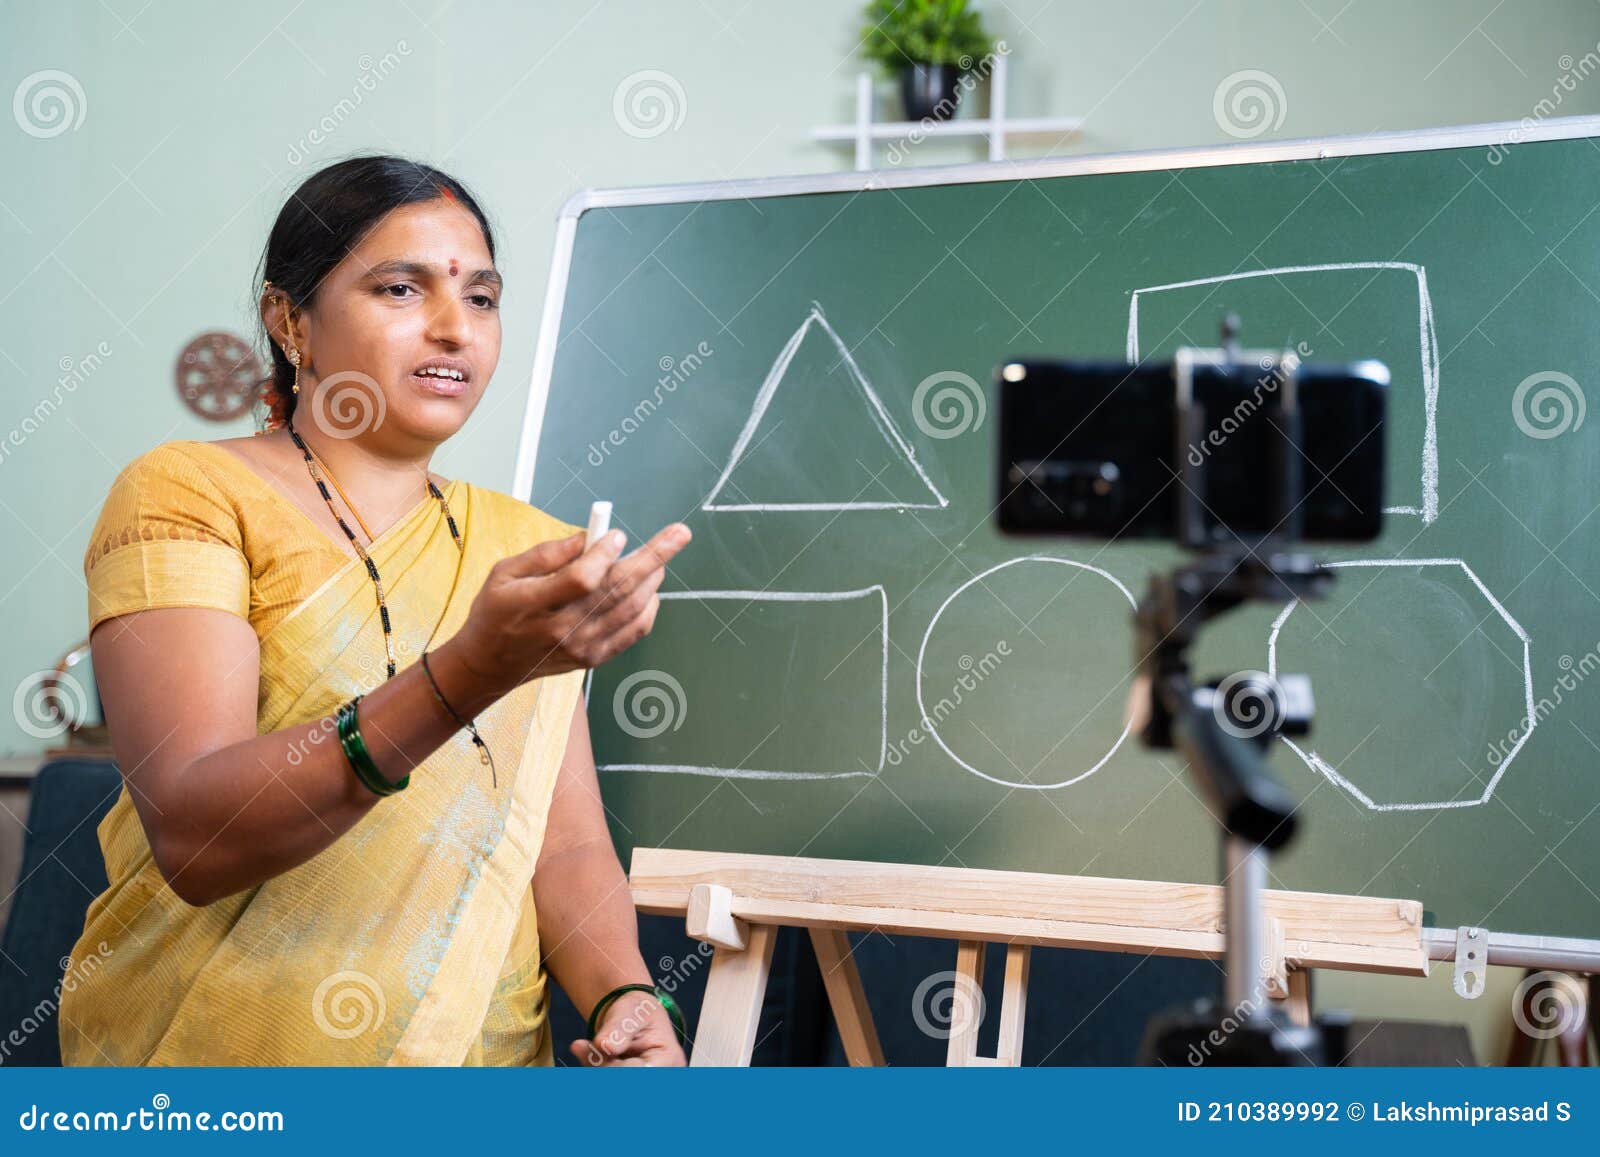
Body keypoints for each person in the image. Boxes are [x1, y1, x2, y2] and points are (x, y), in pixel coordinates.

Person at [59, 155, 691, 1066]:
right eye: (401, 288)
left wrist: (625, 992)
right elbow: (199, 835)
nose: (453, 328)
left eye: (481, 298)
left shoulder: (527, 547)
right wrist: (473, 668)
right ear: (290, 319)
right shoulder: (187, 495)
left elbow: (564, 848)